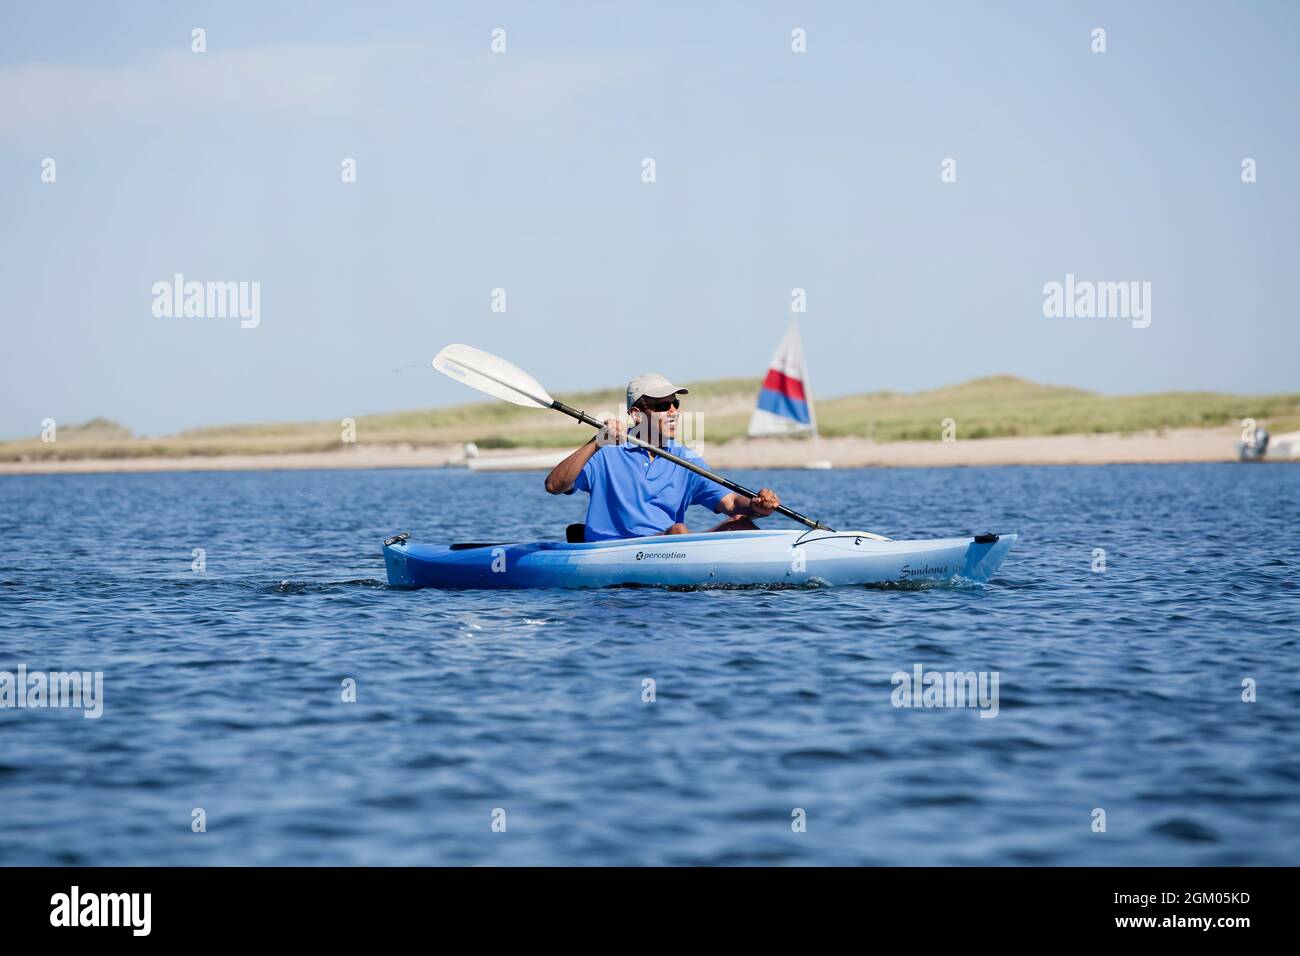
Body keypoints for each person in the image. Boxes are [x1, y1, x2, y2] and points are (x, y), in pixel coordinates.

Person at [544, 373, 781, 542]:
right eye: (662, 405)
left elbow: (729, 503)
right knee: (678, 531)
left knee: (741, 522)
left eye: (675, 403)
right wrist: (595, 443)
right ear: (636, 414)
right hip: (610, 551)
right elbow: (554, 485)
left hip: (667, 549)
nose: (673, 411)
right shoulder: (605, 451)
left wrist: (757, 506)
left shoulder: (686, 460)